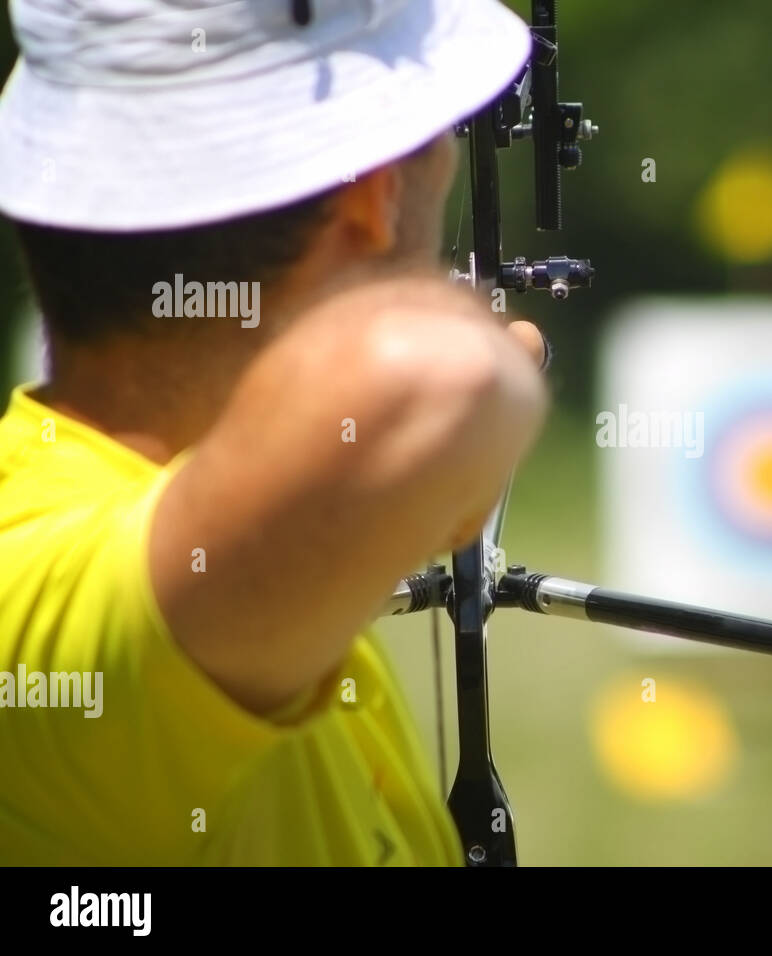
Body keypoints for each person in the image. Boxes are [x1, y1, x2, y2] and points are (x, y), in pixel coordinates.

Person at [0, 0, 548, 864]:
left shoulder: (242, 563)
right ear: (373, 193)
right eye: (437, 131)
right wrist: (458, 431)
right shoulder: (32, 599)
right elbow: (443, 382)